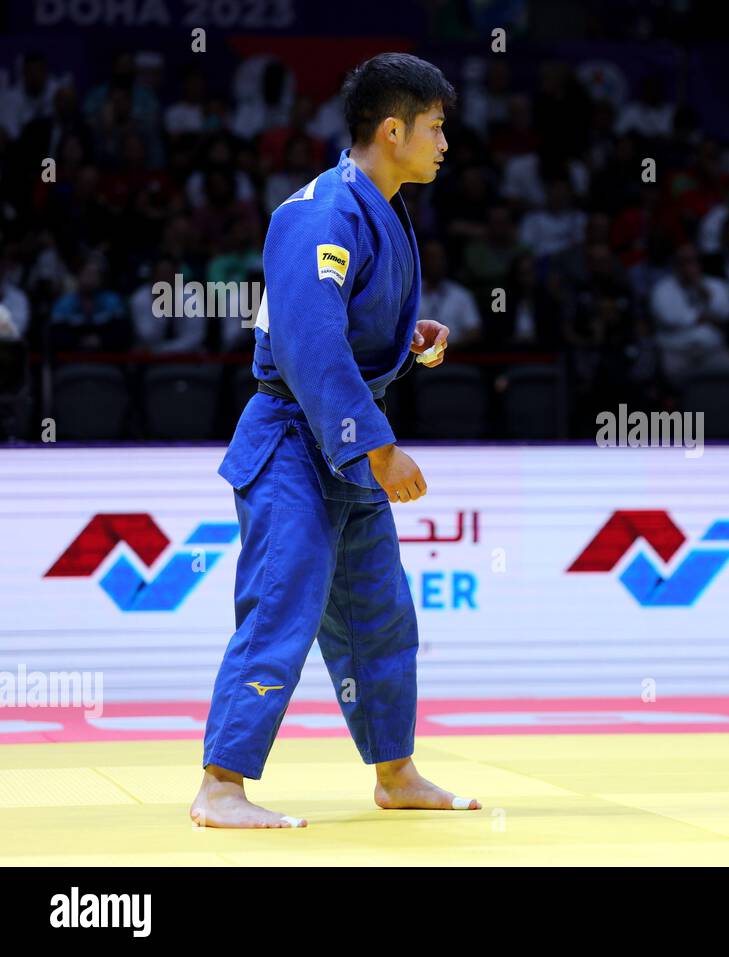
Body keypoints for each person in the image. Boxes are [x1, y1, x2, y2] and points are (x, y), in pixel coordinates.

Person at [191, 53, 479, 828]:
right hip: (293, 441)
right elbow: (309, 346)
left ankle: (395, 771)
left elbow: (341, 326)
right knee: (282, 603)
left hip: (338, 443)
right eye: (435, 127)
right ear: (394, 130)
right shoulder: (319, 214)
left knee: (380, 614)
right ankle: (220, 783)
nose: (445, 142)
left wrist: (403, 343)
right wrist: (380, 448)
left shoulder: (376, 205)